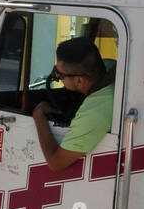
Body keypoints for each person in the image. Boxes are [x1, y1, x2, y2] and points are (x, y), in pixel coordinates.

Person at [31, 36, 114, 171]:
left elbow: (55, 163)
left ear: (79, 81)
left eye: (61, 75)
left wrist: (39, 117)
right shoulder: (110, 67)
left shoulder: (94, 112)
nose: (56, 77)